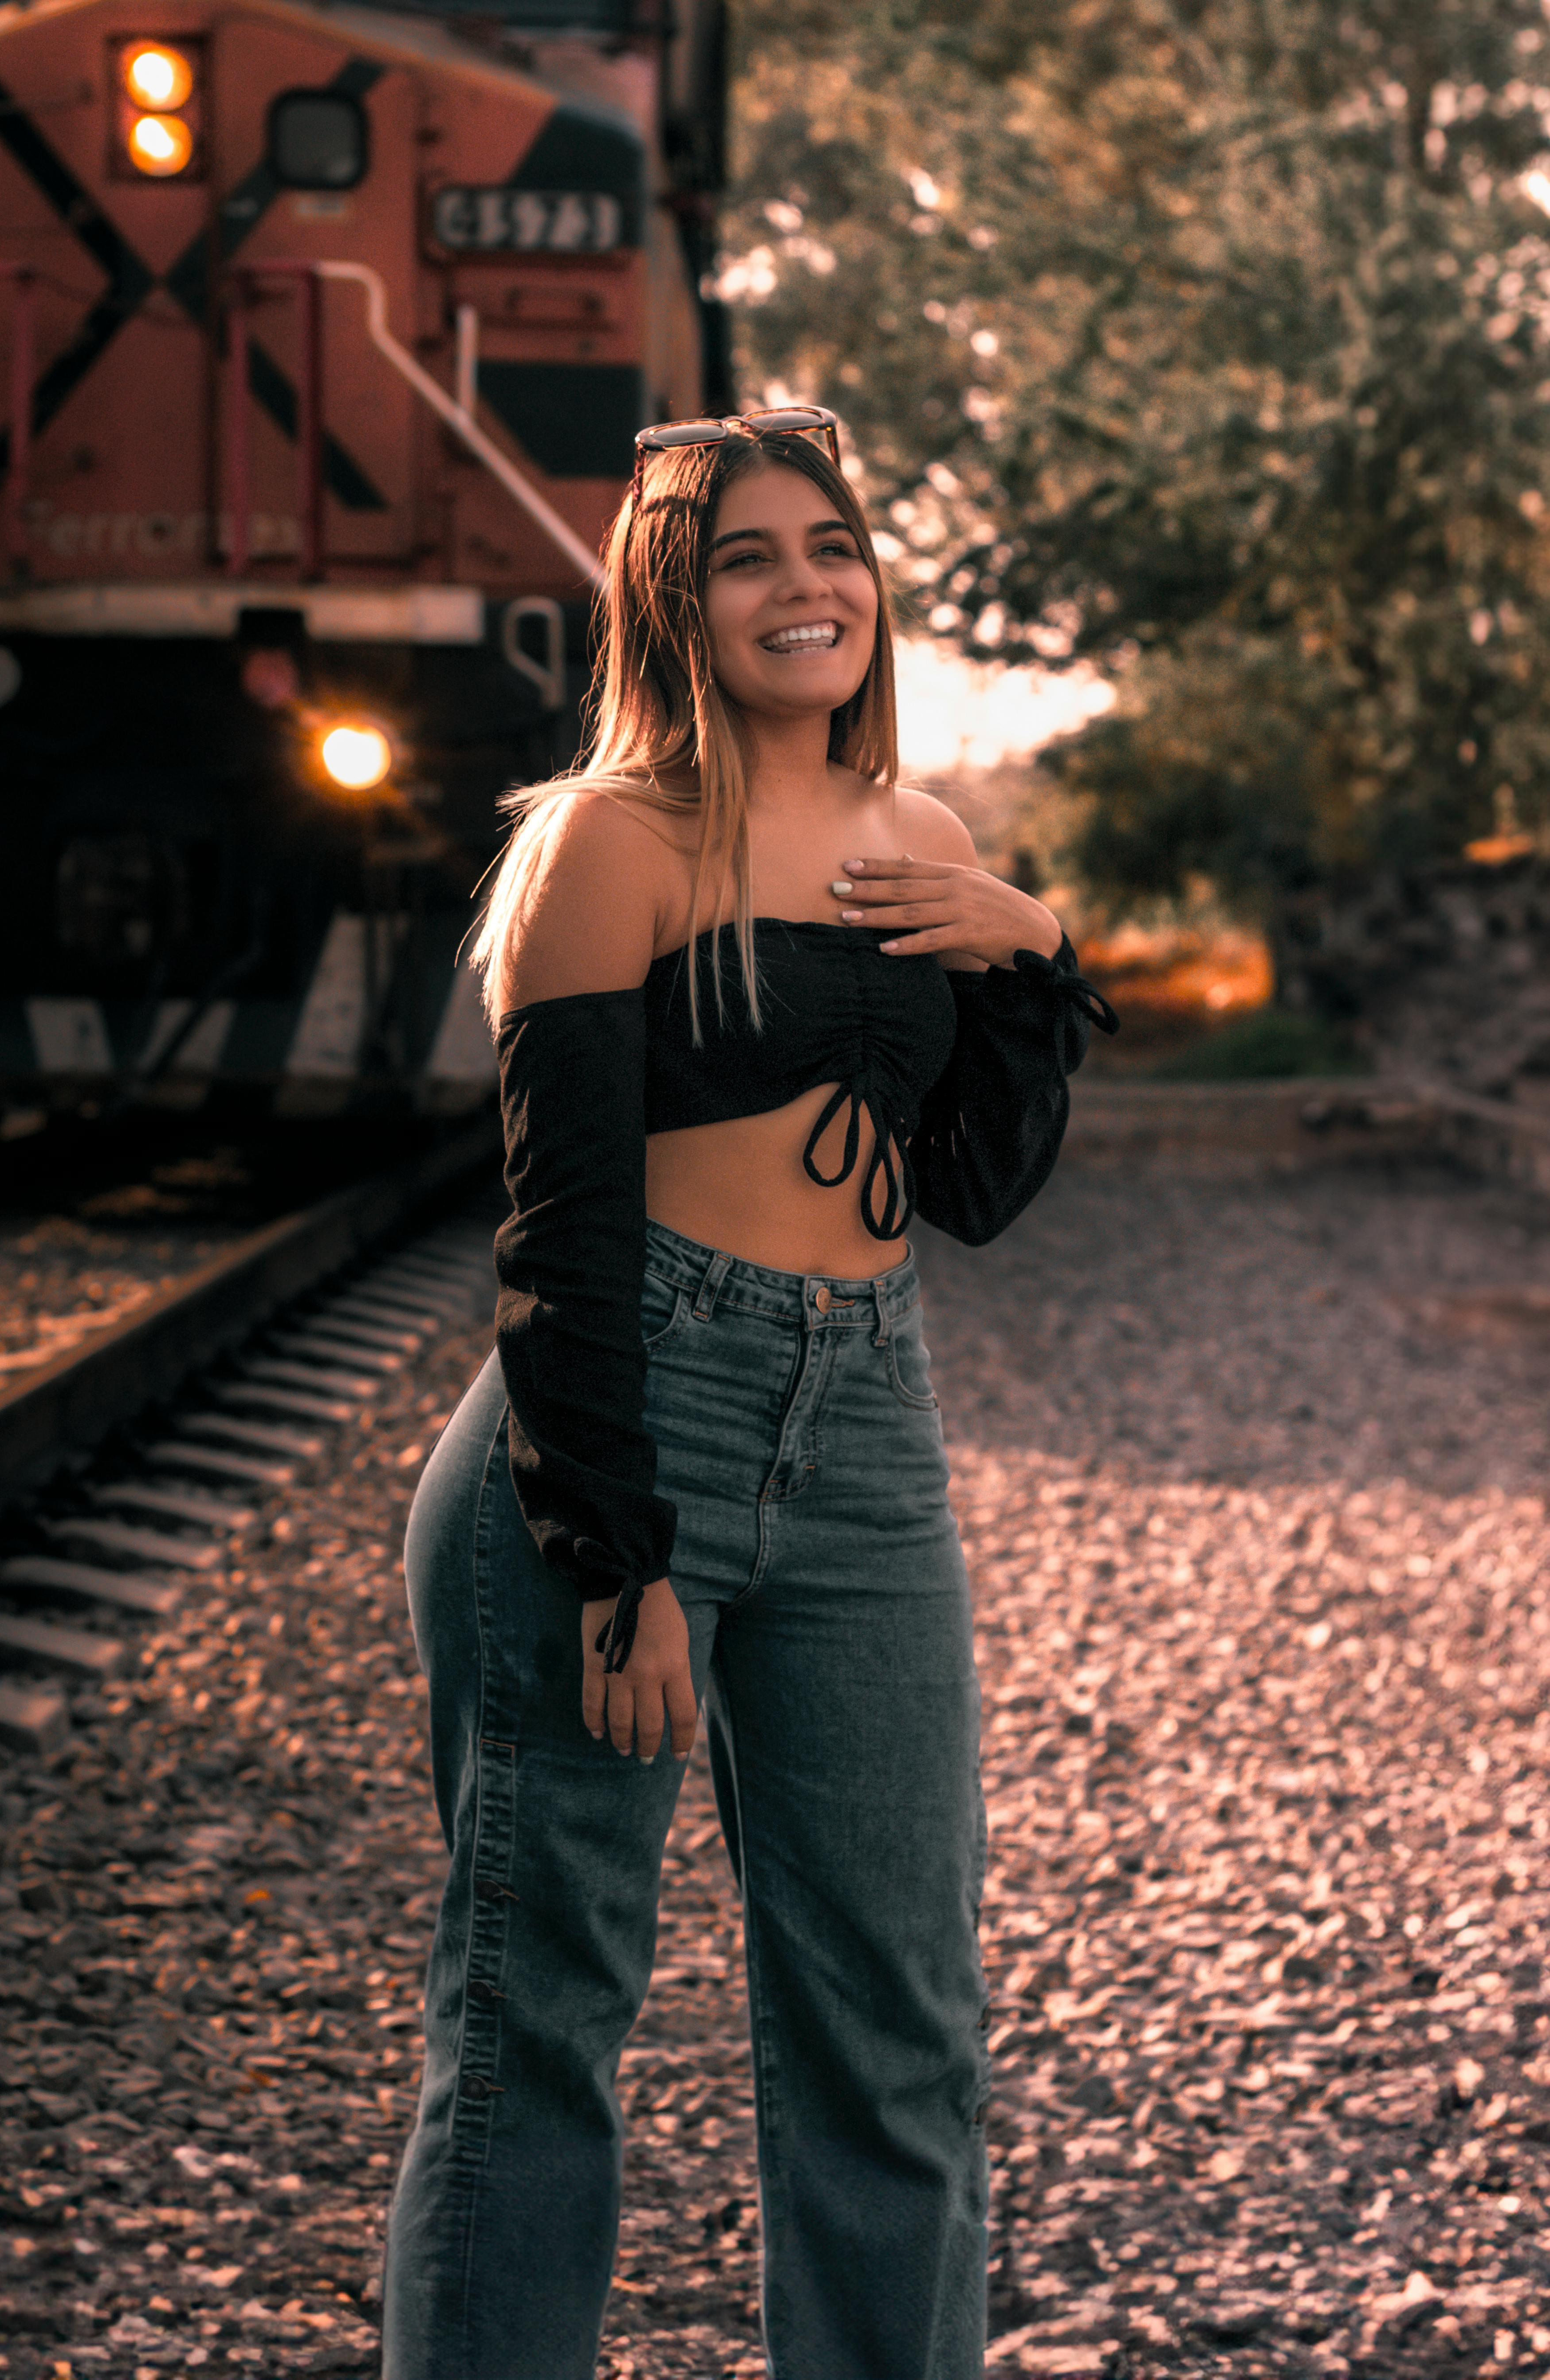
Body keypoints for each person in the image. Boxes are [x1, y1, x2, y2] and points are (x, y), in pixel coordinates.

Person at [381, 406, 1117, 2380]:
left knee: (903, 2027)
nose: (807, 587)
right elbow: (560, 1226)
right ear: (674, 606)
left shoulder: (921, 842)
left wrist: (1033, 952)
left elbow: (971, 1188)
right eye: (749, 557)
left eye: (833, 546)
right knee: (538, 2012)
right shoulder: (603, 842)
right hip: (625, 1420)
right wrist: (614, 1555)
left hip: (868, 1421)